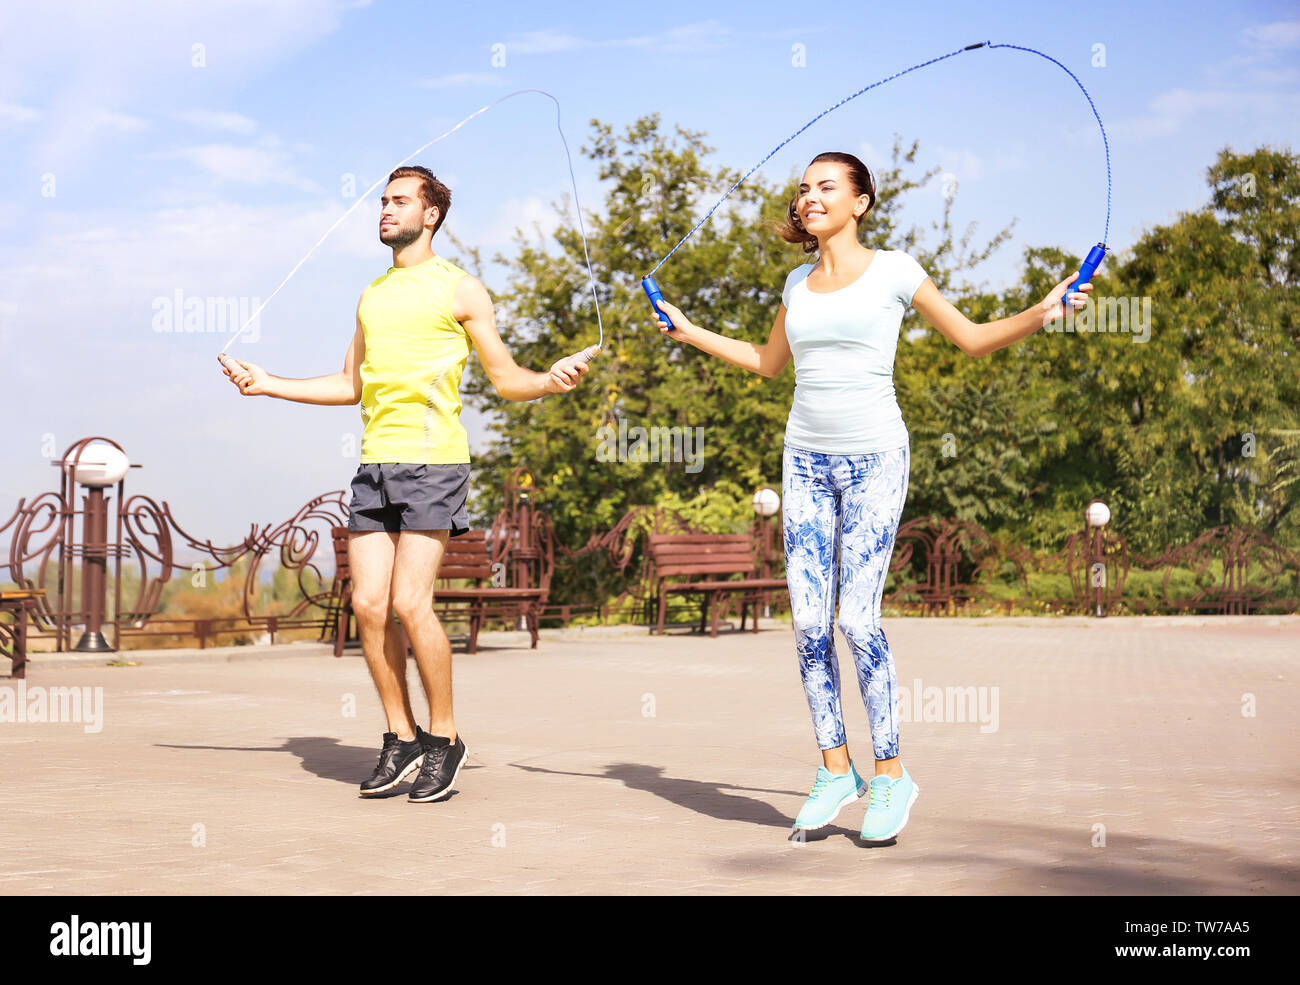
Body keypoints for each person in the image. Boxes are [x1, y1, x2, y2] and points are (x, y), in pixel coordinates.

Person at [651, 151, 1092, 841]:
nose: (810, 197)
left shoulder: (895, 269)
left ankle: (890, 775)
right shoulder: (797, 282)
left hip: (875, 459)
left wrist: (1045, 309)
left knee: (857, 619)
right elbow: (768, 365)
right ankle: (835, 769)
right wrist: (688, 330)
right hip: (803, 462)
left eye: (827, 186)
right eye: (803, 189)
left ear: (860, 202)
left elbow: (972, 339)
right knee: (806, 623)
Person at [223, 165, 591, 803]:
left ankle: (445, 739)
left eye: (399, 201)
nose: (385, 210)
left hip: (435, 464)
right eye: (382, 201)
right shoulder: (371, 294)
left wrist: (548, 380)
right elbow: (351, 385)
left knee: (409, 604)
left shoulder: (462, 291)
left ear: (432, 214)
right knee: (368, 606)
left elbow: (505, 378)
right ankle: (401, 736)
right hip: (375, 465)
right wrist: (268, 383)